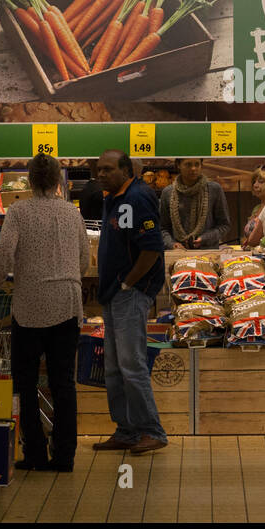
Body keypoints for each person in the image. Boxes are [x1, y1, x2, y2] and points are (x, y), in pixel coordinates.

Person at [0, 151, 88, 472]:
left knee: (26, 381)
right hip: (67, 302)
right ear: (58, 180)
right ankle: (65, 456)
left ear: (30, 180)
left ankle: (33, 451)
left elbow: (4, 256)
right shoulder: (72, 214)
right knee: (63, 383)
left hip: (30, 305)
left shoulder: (18, 212)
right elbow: (84, 260)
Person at [93, 149, 168, 455]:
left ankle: (152, 431)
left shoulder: (138, 197)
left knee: (131, 364)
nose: (101, 175)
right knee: (113, 367)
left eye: (108, 169)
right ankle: (126, 429)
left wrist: (128, 283)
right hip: (114, 292)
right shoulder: (114, 197)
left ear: (126, 171)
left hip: (129, 294)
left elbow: (151, 249)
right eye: (98, 170)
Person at [159, 158, 231, 249]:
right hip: (177, 254)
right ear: (178, 165)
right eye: (188, 165)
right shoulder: (168, 192)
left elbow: (224, 225)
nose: (193, 168)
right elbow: (162, 228)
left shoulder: (214, 189)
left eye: (197, 164)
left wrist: (204, 238)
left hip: (208, 254)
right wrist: (172, 244)